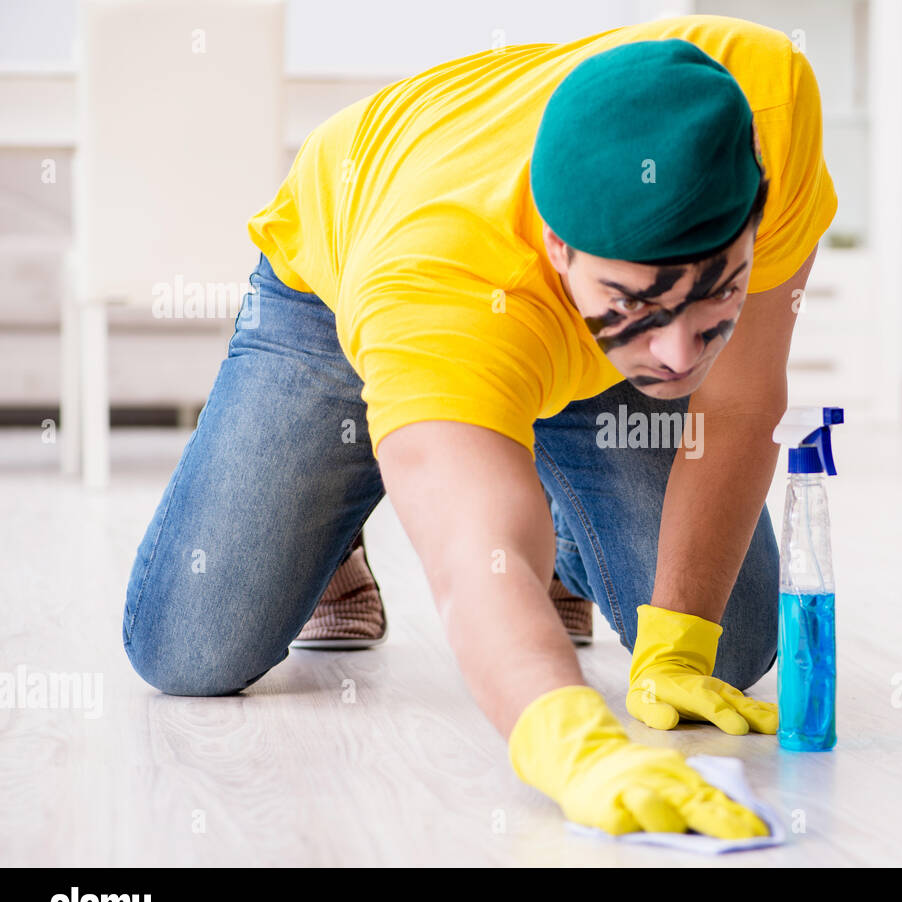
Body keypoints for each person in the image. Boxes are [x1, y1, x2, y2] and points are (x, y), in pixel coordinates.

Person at [121, 13, 838, 839]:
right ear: (558, 248)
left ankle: (536, 452)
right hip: (351, 272)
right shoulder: (435, 282)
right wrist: (572, 742)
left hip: (551, 330)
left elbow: (741, 401)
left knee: (729, 643)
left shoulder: (760, 112)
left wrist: (676, 643)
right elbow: (474, 561)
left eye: (715, 293)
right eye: (638, 306)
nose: (679, 355)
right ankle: (352, 499)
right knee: (192, 646)